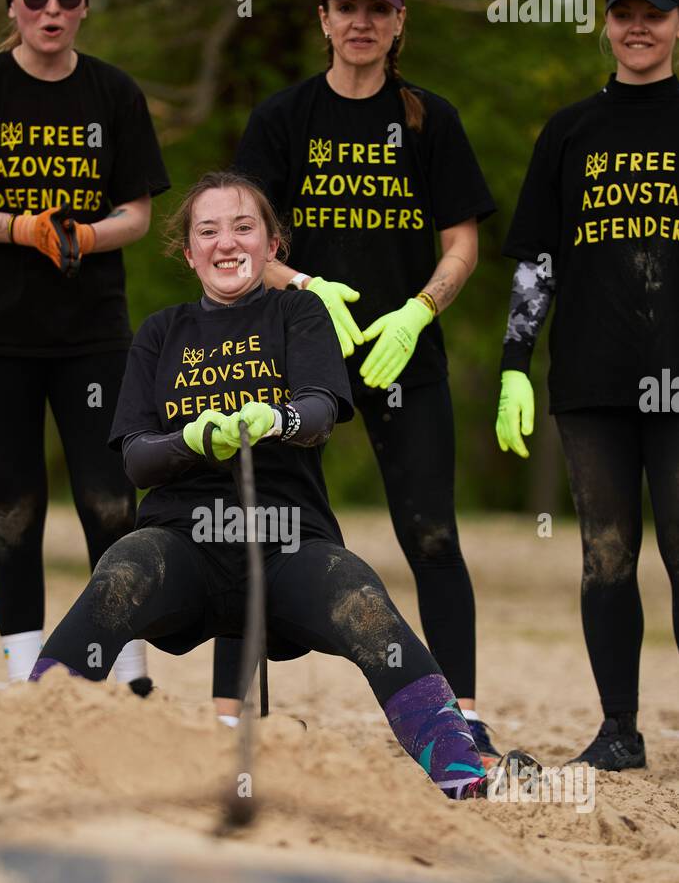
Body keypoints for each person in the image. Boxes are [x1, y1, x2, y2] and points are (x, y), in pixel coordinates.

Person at [30, 171, 534, 801]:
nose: (226, 242)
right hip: (182, 543)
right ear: (188, 253)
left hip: (289, 541)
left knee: (363, 601)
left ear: (273, 247)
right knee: (121, 570)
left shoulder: (300, 311)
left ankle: (464, 770)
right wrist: (189, 441)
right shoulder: (161, 332)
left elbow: (323, 411)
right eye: (207, 231)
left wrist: (278, 418)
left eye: (244, 227)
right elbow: (136, 460)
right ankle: (26, 737)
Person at [211, 0, 500, 759]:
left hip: (402, 354)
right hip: (298, 351)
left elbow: (463, 241)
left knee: (433, 536)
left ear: (400, 21)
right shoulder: (283, 117)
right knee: (258, 521)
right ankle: (235, 712)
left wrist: (420, 309)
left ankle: (462, 710)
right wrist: (303, 286)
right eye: (348, 8)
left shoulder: (429, 119)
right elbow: (242, 240)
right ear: (324, 19)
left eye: (378, 8)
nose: (362, 22)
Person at [0, 0, 170, 688]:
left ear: (83, 8)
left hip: (93, 336)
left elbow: (138, 213)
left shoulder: (115, 93)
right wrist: (19, 228)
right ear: (12, 5)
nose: (51, 10)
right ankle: (24, 677)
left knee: (110, 502)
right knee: (12, 508)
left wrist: (82, 236)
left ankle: (131, 664)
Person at [497, 0, 679, 772]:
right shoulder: (570, 129)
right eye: (624, 12)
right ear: (605, 23)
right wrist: (512, 362)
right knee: (606, 554)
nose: (638, 26)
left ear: (677, 23)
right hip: (591, 379)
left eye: (655, 12)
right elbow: (536, 258)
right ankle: (618, 731)